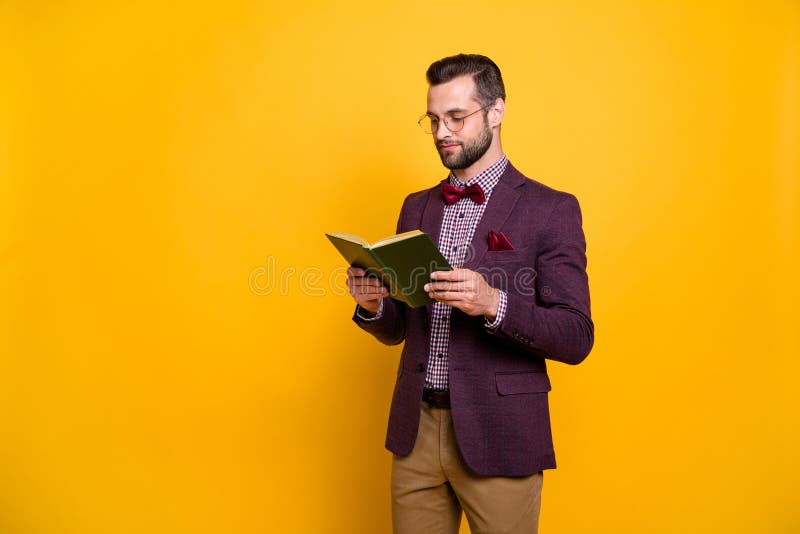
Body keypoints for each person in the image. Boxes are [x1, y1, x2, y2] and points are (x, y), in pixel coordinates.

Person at [346, 53, 593, 534]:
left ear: (496, 111)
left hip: (500, 433)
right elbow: (401, 328)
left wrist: (494, 304)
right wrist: (374, 306)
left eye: (457, 117)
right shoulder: (415, 207)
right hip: (416, 433)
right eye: (434, 119)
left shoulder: (551, 209)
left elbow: (576, 335)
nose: (442, 132)